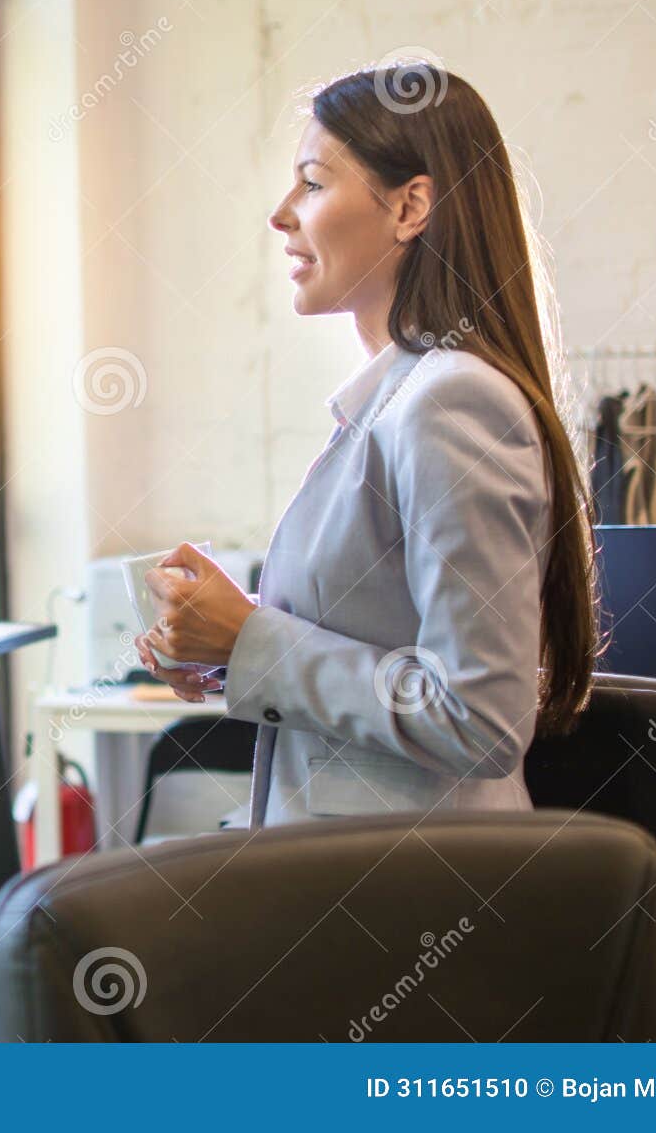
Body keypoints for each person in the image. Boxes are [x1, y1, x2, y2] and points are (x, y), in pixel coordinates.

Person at [137, 65, 597, 827]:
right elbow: (383, 635)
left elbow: (478, 718)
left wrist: (255, 640)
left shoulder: (451, 400)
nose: (281, 215)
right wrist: (230, 641)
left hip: (413, 894)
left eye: (313, 184)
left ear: (411, 207)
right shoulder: (398, 396)